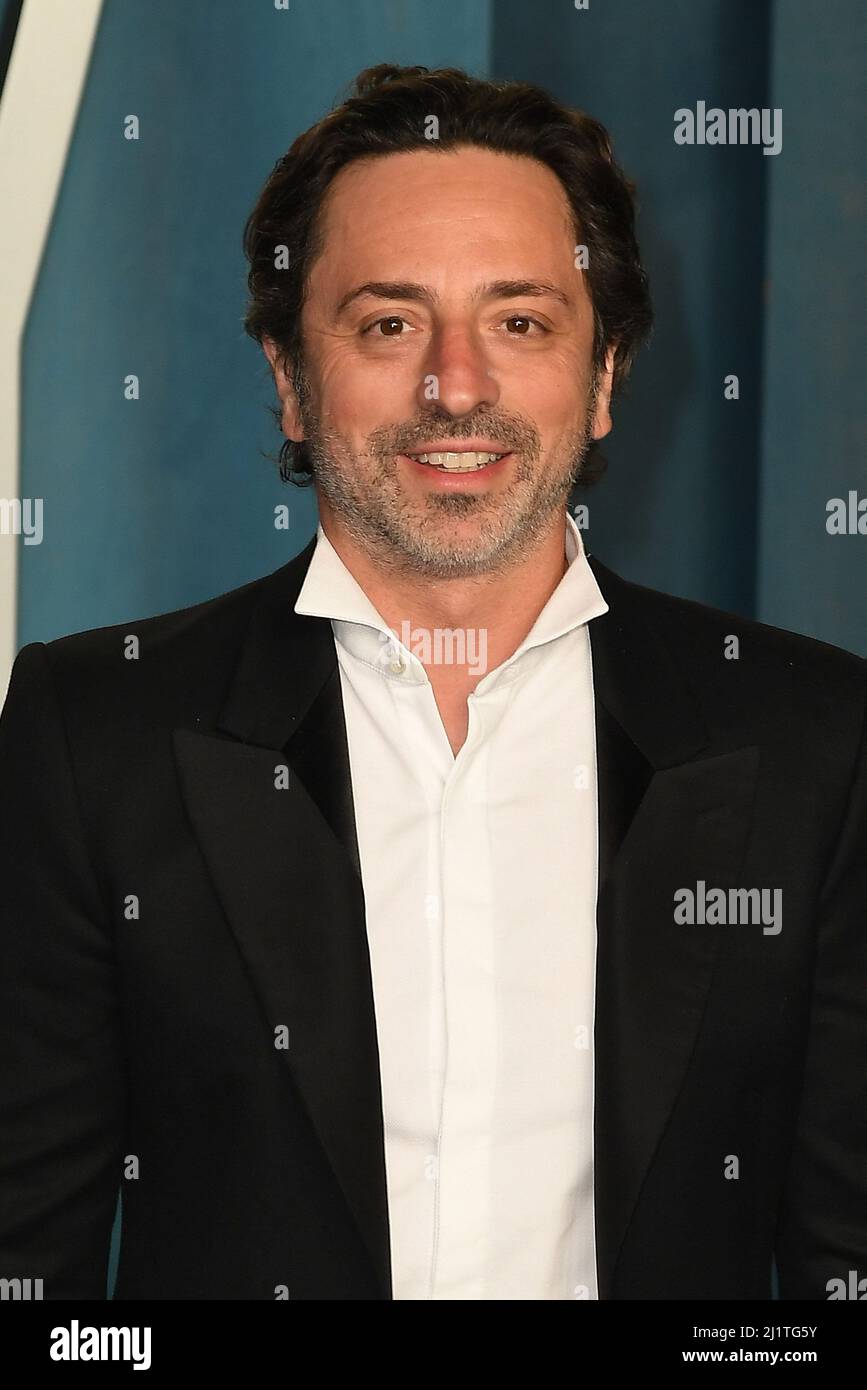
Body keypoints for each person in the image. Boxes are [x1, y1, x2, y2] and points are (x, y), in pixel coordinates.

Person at [1, 64, 864, 1302]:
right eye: (389, 322)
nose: (456, 385)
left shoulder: (814, 743)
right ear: (291, 377)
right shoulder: (98, 736)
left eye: (520, 321)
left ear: (606, 372)